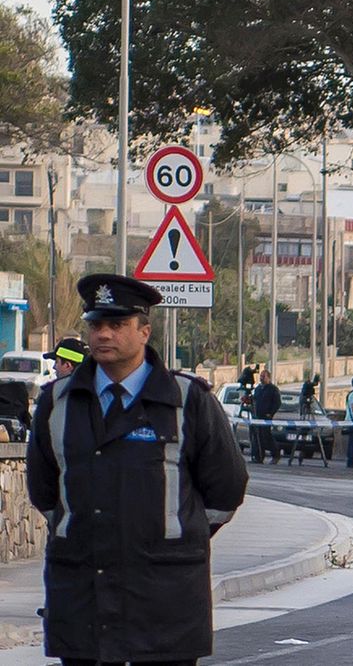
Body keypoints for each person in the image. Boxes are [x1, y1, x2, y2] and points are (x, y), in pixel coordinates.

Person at [26, 273, 247, 665]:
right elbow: (45, 491)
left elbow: (226, 489)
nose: (103, 334)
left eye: (117, 324)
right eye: (96, 324)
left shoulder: (187, 400)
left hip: (165, 601)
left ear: (144, 331)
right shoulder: (57, 402)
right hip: (83, 597)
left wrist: (173, 535)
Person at [252, 368, 283, 464]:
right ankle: (259, 457)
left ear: (268, 378)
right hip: (257, 417)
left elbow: (277, 403)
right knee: (258, 437)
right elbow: (255, 400)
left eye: (263, 376)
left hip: (266, 418)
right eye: (261, 376)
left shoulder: (273, 389)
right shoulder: (258, 389)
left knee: (267, 437)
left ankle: (276, 455)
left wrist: (271, 413)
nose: (261, 378)